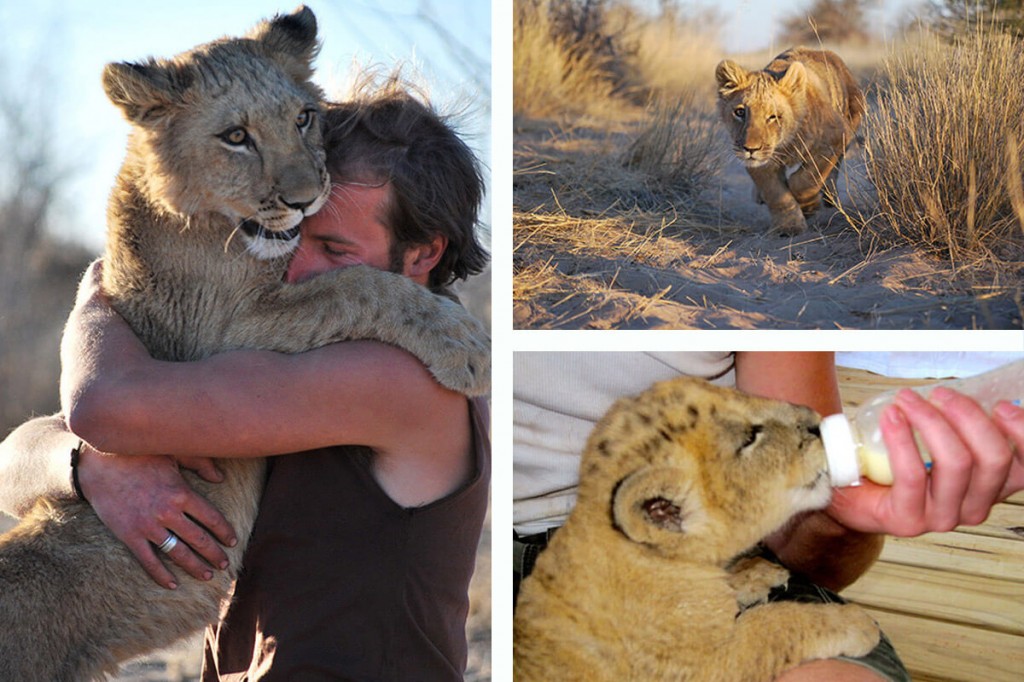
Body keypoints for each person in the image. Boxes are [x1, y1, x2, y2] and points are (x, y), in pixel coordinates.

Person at [0, 82, 490, 681]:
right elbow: (11, 465)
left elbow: (103, 406)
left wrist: (99, 292)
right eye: (286, 234)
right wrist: (88, 467)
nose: (296, 269)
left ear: (423, 255)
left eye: (334, 249)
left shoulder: (397, 376)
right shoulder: (287, 338)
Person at [513, 351, 1024, 682]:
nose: (803, 419)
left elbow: (806, 537)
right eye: (749, 436)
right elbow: (711, 663)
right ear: (663, 513)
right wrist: (786, 630)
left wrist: (844, 513)